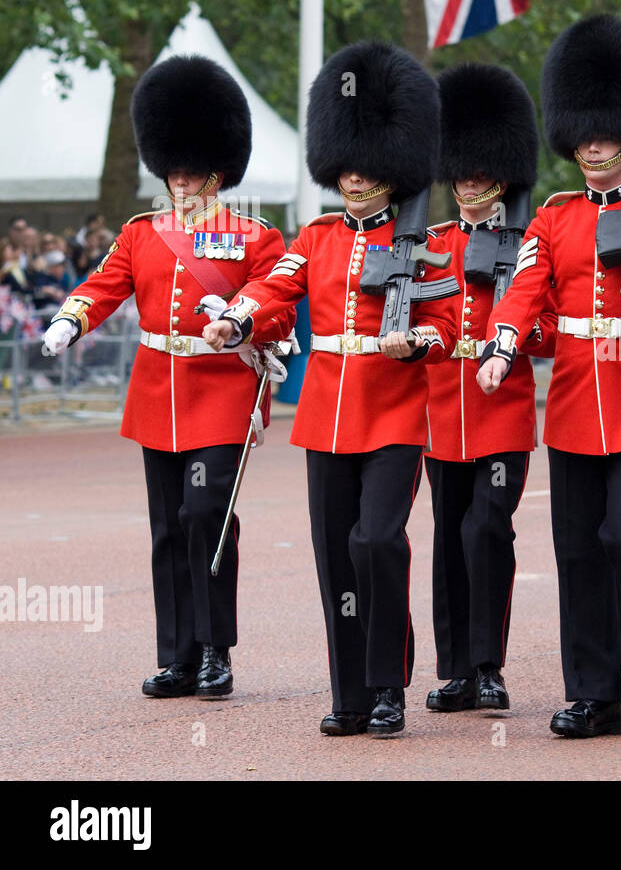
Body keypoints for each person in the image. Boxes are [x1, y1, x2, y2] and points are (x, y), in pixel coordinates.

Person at [205, 41, 457, 736]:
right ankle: (350, 693)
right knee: (335, 559)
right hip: (326, 417)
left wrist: (419, 342)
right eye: (344, 165)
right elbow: (271, 284)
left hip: (397, 413)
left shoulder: (423, 242)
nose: (352, 178)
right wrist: (236, 318)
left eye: (367, 167)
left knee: (377, 542)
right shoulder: (316, 236)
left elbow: (446, 325)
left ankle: (388, 684)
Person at [476, 15, 621, 738]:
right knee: (579, 552)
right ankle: (593, 694)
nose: (590, 144)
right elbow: (525, 288)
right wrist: (503, 342)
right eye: (582, 132)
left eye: (603, 132)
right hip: (578, 402)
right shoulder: (554, 218)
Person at [40, 55, 293, 700]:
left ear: (218, 171)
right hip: (160, 394)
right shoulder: (141, 233)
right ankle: (178, 655)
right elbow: (104, 285)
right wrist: (71, 320)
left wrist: (239, 320)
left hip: (222, 394)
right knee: (167, 527)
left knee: (206, 513)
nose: (181, 181)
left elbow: (275, 298)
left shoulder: (253, 236)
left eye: (192, 170)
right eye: (173, 169)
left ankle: (215, 650)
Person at [422, 62, 556, 714]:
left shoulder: (531, 244)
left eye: (484, 177)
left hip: (502, 416)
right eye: (464, 175)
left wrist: (517, 339)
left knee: (486, 532)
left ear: (503, 180)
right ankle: (456, 672)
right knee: (449, 538)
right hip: (443, 415)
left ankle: (488, 664)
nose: (472, 186)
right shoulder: (432, 245)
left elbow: (554, 330)